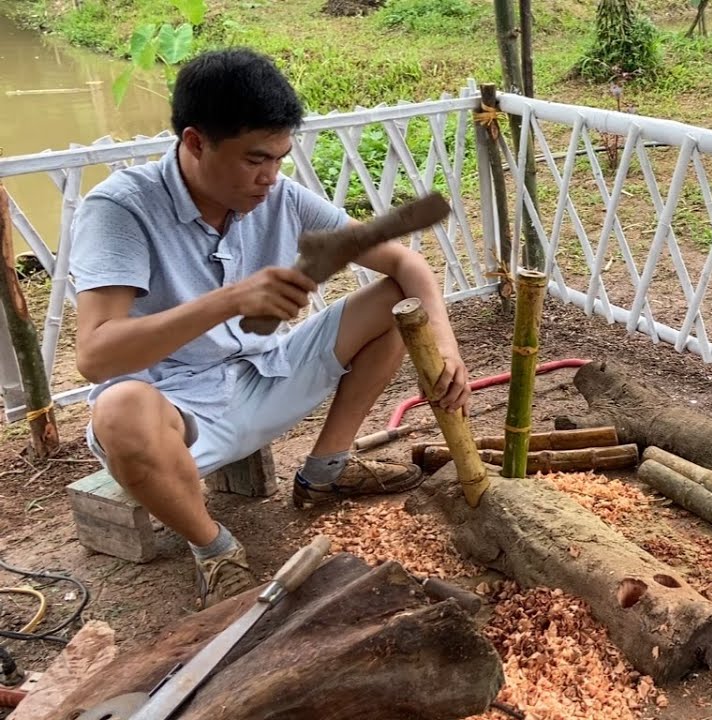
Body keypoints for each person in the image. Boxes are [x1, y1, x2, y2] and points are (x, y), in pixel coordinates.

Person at [68, 48, 470, 609]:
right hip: (177, 416)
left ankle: (326, 470)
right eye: (256, 159)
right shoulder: (121, 209)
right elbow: (95, 354)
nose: (270, 178)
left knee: (399, 300)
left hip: (264, 373)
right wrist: (228, 300)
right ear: (195, 142)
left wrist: (446, 345)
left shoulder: (277, 195)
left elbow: (406, 263)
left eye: (280, 159)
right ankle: (215, 550)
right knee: (119, 410)